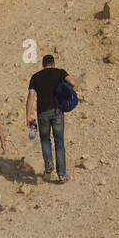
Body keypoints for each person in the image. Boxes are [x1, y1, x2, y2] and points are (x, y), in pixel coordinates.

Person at [26, 55, 75, 185]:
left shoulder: (36, 77)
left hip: (42, 113)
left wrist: (28, 116)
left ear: (43, 65)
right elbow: (72, 82)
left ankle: (48, 164)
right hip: (57, 111)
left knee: (45, 140)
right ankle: (62, 175)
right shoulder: (59, 72)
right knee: (59, 142)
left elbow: (31, 95)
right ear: (53, 63)